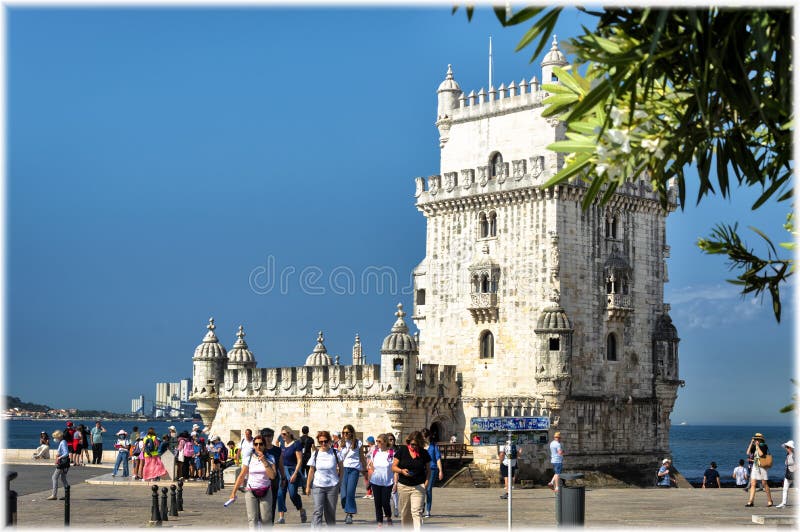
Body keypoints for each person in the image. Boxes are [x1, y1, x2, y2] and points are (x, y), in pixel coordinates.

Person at [229, 433, 278, 529]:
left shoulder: (270, 458)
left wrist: (264, 461)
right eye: (256, 444)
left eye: (261, 444)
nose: (258, 446)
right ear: (253, 446)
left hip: (266, 490)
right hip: (251, 490)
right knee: (252, 519)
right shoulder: (249, 458)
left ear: (264, 445)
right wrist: (233, 492)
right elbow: (241, 475)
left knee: (266, 519)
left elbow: (272, 476)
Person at [392, 430, 430, 530]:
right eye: (412, 444)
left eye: (417, 444)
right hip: (404, 486)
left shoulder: (424, 453)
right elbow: (393, 467)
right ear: (408, 442)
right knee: (405, 513)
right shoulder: (402, 451)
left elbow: (428, 470)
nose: (414, 446)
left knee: (416, 512)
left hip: (418, 486)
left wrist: (426, 483)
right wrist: (401, 471)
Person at [305, 430, 343, 528]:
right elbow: (311, 470)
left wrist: (340, 482)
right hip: (318, 486)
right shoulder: (316, 454)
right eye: (321, 442)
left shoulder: (335, 453)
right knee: (318, 511)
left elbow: (342, 469)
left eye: (325, 441)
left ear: (329, 441)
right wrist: (308, 486)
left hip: (332, 486)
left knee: (330, 512)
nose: (323, 443)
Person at [277, 426, 307, 524]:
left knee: (293, 494)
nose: (283, 436)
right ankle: (281, 517)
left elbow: (299, 460)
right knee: (280, 494)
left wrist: (295, 473)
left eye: (284, 434)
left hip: (293, 470)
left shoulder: (296, 444)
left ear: (289, 433)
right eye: (282, 434)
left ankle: (301, 509)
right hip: (282, 470)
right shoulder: (281, 443)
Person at [339, 424, 367, 524]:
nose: (345, 434)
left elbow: (361, 457)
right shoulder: (341, 443)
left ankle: (349, 514)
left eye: (347, 433)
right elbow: (339, 457)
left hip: (354, 469)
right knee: (343, 495)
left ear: (351, 433)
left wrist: (365, 469)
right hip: (344, 469)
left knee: (350, 492)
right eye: (343, 433)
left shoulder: (358, 443)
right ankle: (346, 506)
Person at [366, 433, 395, 526]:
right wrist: (369, 479)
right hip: (376, 481)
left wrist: (396, 482)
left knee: (385, 502)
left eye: (379, 441)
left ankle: (388, 516)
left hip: (387, 482)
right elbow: (371, 466)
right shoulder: (375, 452)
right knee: (377, 503)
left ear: (385, 442)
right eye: (376, 441)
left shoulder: (391, 453)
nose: (377, 443)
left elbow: (395, 468)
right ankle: (379, 522)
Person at [260, 427, 283, 524]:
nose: (268, 438)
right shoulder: (260, 450)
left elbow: (281, 465)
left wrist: (284, 477)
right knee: (261, 503)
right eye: (265, 436)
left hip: (274, 480)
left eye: (270, 436)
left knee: (272, 503)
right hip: (261, 479)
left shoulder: (277, 450)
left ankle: (270, 524)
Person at [746, 432, 774, 507]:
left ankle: (770, 500)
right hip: (755, 467)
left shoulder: (764, 446)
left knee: (764, 484)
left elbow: (761, 454)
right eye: (755, 439)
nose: (756, 440)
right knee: (753, 484)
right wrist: (751, 443)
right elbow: (748, 452)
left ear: (760, 439)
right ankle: (750, 501)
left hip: (762, 467)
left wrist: (757, 446)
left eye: (757, 439)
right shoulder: (754, 446)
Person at [421, 428, 442, 517]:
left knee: (428, 489)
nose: (425, 438)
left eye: (426, 436)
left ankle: (428, 510)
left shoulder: (434, 446)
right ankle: (421, 507)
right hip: (422, 469)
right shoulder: (420, 447)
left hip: (432, 469)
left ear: (429, 436)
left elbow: (438, 458)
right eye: (423, 436)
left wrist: (440, 470)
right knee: (421, 489)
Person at [47, 430, 70, 500]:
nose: (55, 439)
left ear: (58, 437)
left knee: (54, 477)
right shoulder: (63, 442)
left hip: (62, 463)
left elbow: (66, 453)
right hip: (65, 463)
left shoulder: (62, 442)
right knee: (63, 478)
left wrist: (59, 457)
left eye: (55, 437)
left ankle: (54, 495)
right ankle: (67, 494)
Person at [776, 440, 795, 508]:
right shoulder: (788, 454)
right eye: (786, 447)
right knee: (785, 489)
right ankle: (783, 503)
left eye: (787, 447)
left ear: (790, 447)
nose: (786, 448)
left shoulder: (794, 455)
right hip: (788, 474)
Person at [387, 433, 400, 518]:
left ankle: (395, 507)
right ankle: (387, 509)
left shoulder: (397, 451)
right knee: (386, 494)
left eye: (393, 440)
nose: (392, 441)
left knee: (394, 491)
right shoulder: (383, 450)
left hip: (394, 472)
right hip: (386, 473)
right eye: (390, 440)